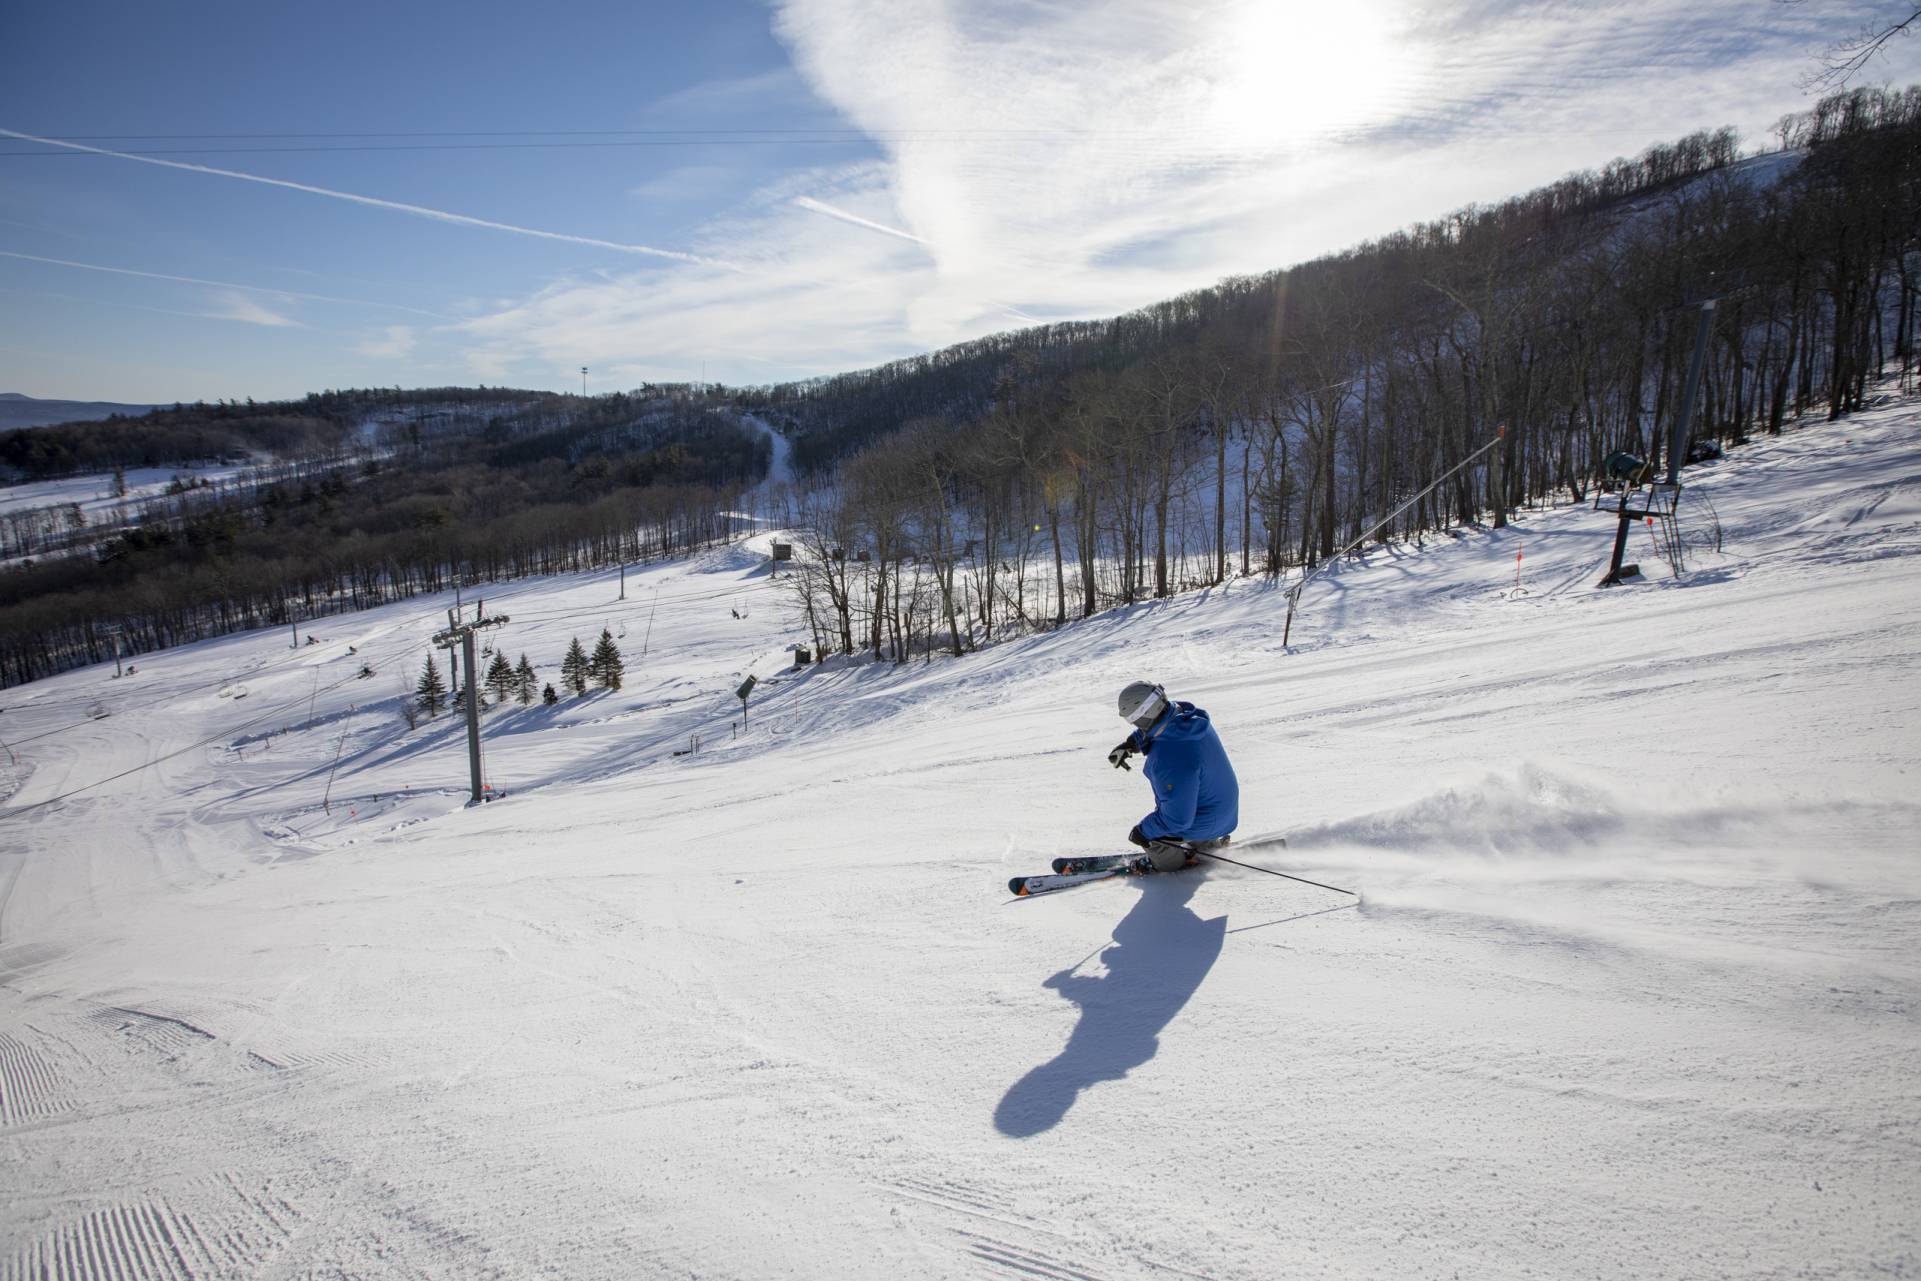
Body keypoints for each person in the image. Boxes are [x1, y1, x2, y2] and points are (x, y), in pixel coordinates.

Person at [1108, 681, 1239, 873]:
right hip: (1223, 809)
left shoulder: (1169, 759)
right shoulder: (1186, 718)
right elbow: (1160, 726)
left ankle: (1173, 862)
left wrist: (1142, 832)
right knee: (1181, 804)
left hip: (1207, 821)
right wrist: (1131, 744)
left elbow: (1177, 820)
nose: (1136, 725)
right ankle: (1206, 845)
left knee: (1154, 836)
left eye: (1134, 720)